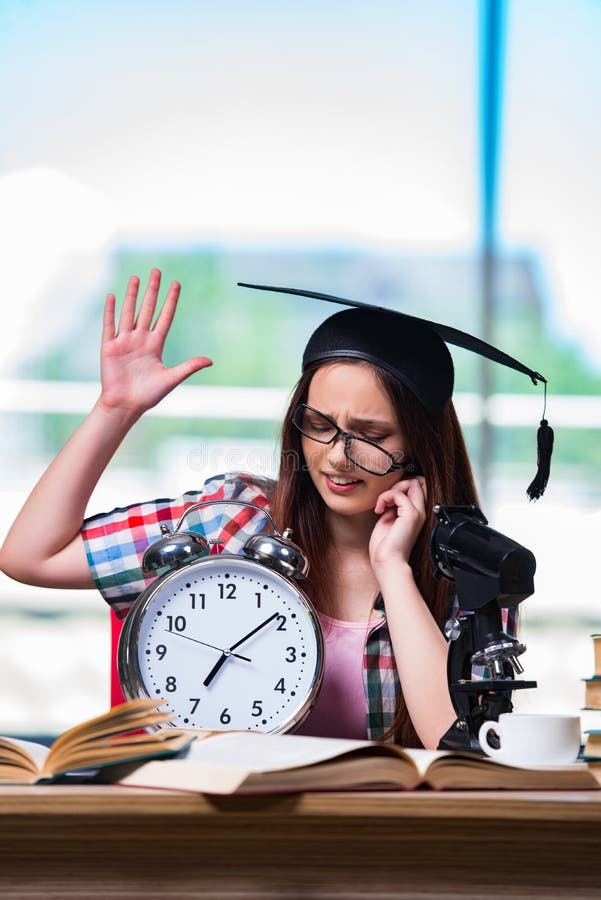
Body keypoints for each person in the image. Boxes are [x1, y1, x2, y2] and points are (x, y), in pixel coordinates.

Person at [0, 268, 544, 749]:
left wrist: (394, 570)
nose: (336, 457)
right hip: (230, 831)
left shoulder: (473, 569)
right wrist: (115, 409)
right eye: (319, 425)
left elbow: (458, 748)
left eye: (371, 435)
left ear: (420, 448)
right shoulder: (235, 521)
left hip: (384, 843)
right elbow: (30, 556)